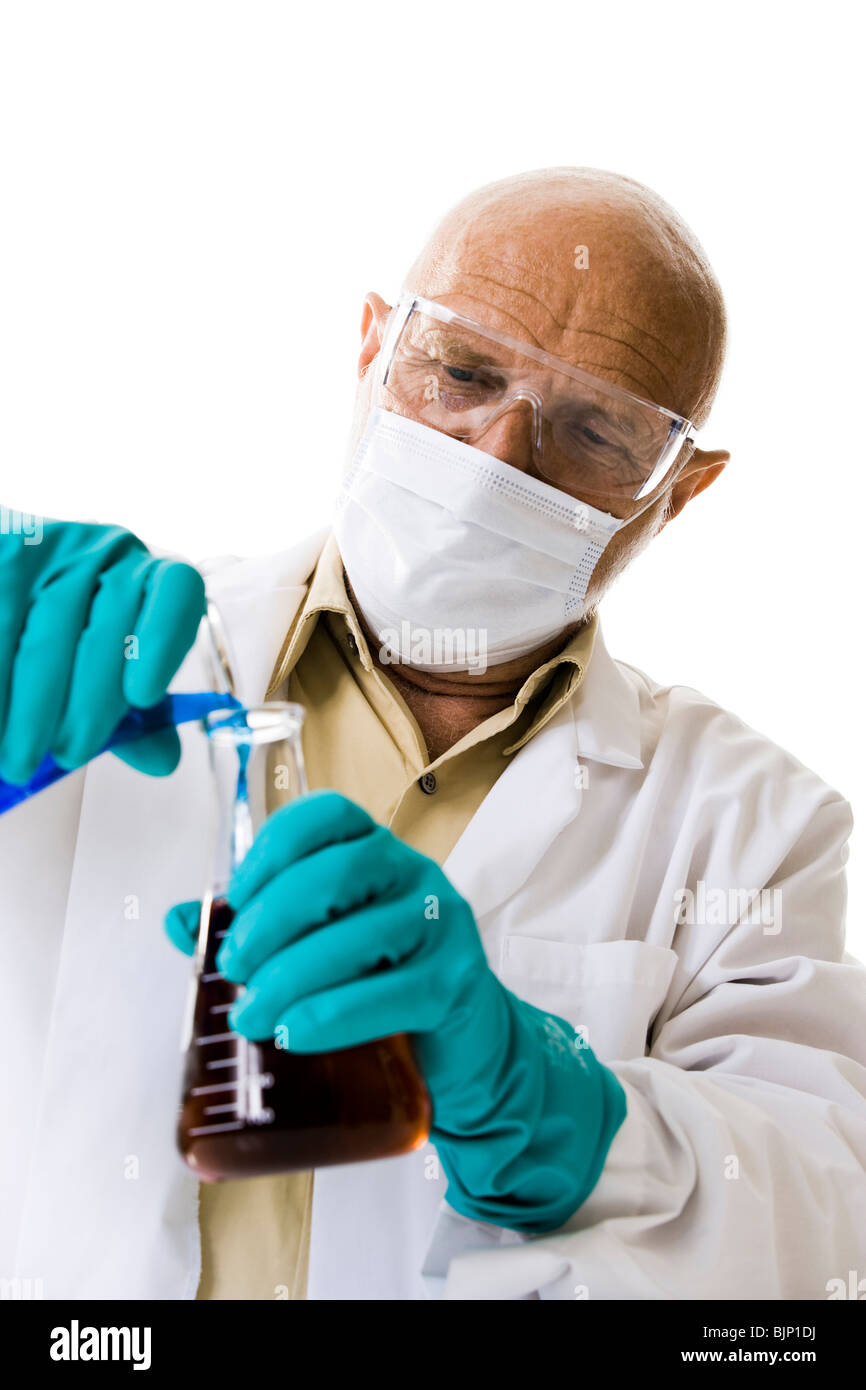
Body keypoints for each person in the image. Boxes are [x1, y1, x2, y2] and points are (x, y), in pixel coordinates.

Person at [2, 168, 864, 1301]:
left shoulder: (751, 821)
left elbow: (813, 1209)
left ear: (679, 489)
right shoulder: (85, 667)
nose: (496, 454)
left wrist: (552, 1097)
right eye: (460, 371)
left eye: (595, 428)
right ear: (372, 345)